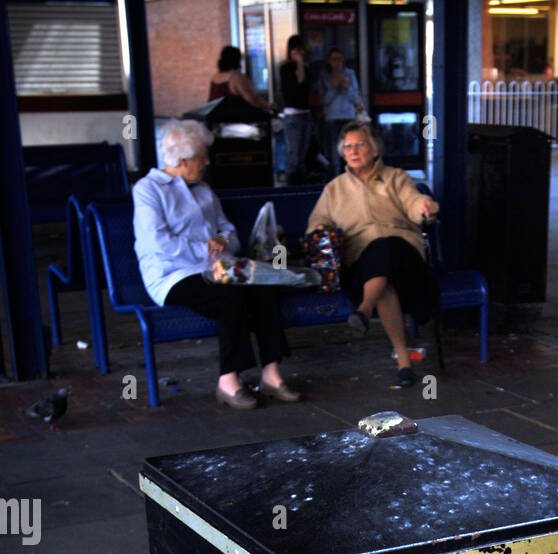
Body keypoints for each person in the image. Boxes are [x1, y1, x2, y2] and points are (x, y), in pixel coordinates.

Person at [133, 119, 299, 409]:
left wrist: (222, 241)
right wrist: (206, 249)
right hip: (173, 274)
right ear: (183, 160)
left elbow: (227, 230)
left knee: (264, 285)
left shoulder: (203, 190)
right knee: (229, 295)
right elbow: (158, 243)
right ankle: (228, 381)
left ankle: (271, 374)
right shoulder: (149, 189)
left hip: (219, 268)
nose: (207, 162)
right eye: (202, 156)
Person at [306, 121, 438, 388]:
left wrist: (425, 206)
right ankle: (403, 363)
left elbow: (413, 201)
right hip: (362, 263)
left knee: (386, 247)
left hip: (404, 258)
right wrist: (320, 229)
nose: (353, 151)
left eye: (360, 145)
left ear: (375, 149)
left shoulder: (395, 177)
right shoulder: (335, 189)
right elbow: (317, 224)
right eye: (348, 146)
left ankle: (364, 310)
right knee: (382, 278)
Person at [317, 48, 362, 179]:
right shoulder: (324, 77)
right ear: (329, 61)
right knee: (334, 156)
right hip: (332, 119)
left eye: (340, 59)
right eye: (334, 59)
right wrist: (334, 86)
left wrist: (347, 87)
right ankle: (335, 183)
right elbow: (323, 100)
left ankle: (351, 182)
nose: (337, 63)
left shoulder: (350, 74)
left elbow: (355, 98)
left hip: (348, 118)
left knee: (351, 154)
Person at [275, 36, 311, 185]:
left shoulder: (306, 68)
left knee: (302, 153)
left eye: (301, 50)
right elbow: (297, 84)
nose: (299, 53)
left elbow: (305, 85)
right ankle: (291, 183)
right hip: (293, 114)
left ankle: (301, 182)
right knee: (293, 154)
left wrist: (301, 64)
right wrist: (299, 64)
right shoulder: (285, 68)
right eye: (296, 50)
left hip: (305, 113)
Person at [208, 45, 272, 120]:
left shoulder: (215, 77)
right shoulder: (236, 77)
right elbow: (252, 99)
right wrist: (268, 106)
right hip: (233, 121)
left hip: (215, 120)